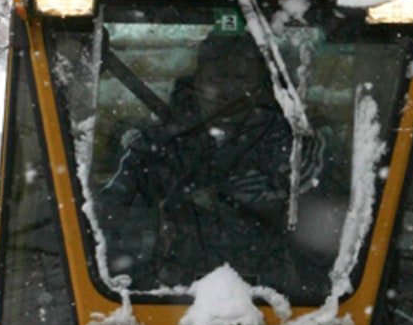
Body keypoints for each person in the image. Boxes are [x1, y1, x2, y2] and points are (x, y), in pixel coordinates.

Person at [98, 32, 335, 292]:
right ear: (197, 82)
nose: (227, 90)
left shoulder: (297, 144)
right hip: (170, 298)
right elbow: (112, 215)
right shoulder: (155, 145)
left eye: (240, 78)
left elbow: (324, 225)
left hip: (281, 300)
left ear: (262, 83)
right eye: (217, 77)